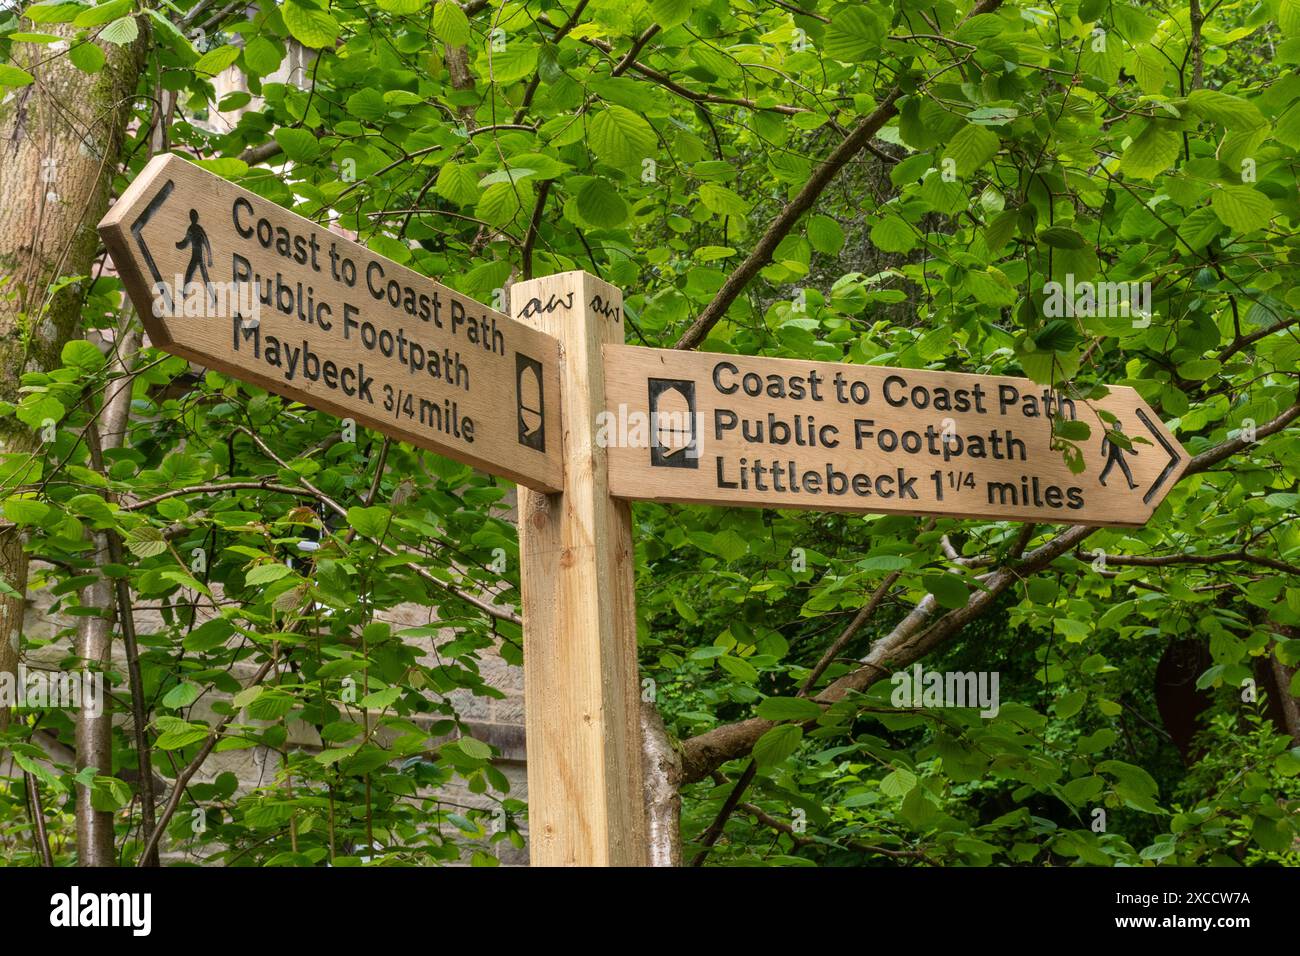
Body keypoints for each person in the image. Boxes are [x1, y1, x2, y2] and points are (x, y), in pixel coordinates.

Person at [176, 209, 216, 310]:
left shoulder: (198, 229)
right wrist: (178, 245)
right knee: (189, 273)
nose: (193, 218)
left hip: (200, 257)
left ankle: (214, 297)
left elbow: (206, 243)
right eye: (192, 216)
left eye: (193, 216)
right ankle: (185, 294)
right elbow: (186, 242)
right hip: (195, 256)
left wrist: (210, 259)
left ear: (196, 218)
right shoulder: (191, 228)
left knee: (205, 278)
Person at [1099, 422, 1138, 489]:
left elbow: (1126, 446)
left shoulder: (1121, 436)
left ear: (1120, 427)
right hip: (1113, 454)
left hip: (1119, 454)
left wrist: (1132, 452)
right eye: (1115, 426)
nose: (1116, 427)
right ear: (1113, 426)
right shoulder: (1110, 433)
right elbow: (1105, 442)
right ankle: (1102, 479)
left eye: (1118, 426)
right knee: (1110, 469)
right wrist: (1103, 450)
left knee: (1125, 469)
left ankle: (1131, 484)